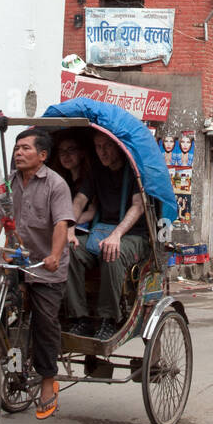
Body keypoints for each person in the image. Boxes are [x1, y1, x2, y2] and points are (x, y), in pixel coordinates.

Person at [0, 128, 73, 419]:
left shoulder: (56, 185)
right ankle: (11, 361)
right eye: (16, 148)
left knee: (45, 322)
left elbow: (61, 225)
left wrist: (55, 256)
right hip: (15, 258)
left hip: (45, 264)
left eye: (25, 148)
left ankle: (47, 381)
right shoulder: (7, 185)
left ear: (42, 155)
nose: (18, 153)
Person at [65, 129, 149, 341]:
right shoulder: (97, 171)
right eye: (98, 147)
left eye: (107, 146)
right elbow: (79, 201)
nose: (102, 152)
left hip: (132, 235)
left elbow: (138, 206)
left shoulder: (133, 171)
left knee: (111, 252)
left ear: (118, 147)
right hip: (100, 231)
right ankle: (79, 317)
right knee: (69, 250)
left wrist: (117, 234)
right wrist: (70, 229)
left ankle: (108, 318)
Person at [53, 135, 94, 248]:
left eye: (71, 150)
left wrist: (63, 224)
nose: (66, 155)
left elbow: (91, 213)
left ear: (81, 153)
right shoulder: (61, 181)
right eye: (61, 151)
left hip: (83, 231)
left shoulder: (90, 179)